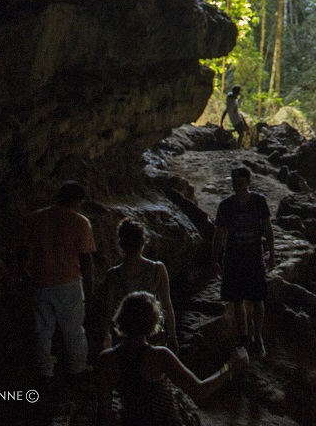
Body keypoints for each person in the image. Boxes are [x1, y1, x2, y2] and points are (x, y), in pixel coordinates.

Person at [96, 291, 249, 426]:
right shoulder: (159, 356)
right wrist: (230, 366)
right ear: (152, 322)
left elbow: (104, 415)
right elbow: (199, 390)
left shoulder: (106, 359)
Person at [24, 179, 97, 382]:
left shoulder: (36, 218)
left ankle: (45, 372)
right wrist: (90, 288)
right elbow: (86, 258)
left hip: (40, 281)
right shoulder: (80, 222)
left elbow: (24, 249)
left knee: (42, 330)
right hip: (68, 282)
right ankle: (77, 368)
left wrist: (23, 272)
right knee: (73, 330)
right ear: (77, 200)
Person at [212, 166, 276, 355]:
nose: (237, 185)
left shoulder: (259, 202)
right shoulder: (226, 205)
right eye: (234, 182)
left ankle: (257, 335)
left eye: (240, 182)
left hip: (254, 256)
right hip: (234, 257)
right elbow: (219, 233)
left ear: (248, 182)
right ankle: (245, 336)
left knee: (257, 298)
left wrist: (272, 254)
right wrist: (215, 259)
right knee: (238, 299)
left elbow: (268, 228)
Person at [102, 219, 178, 351]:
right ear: (143, 242)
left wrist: (105, 335)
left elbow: (108, 310)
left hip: (124, 336)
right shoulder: (157, 269)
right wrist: (172, 336)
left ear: (121, 244)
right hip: (151, 333)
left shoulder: (113, 274)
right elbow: (167, 305)